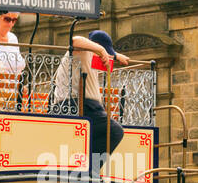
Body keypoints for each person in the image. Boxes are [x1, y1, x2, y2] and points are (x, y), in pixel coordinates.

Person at [50, 30, 138, 171]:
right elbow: (74, 40)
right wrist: (101, 50)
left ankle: (88, 167)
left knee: (109, 131)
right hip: (75, 105)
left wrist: (115, 56)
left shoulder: (91, 55)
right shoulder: (81, 51)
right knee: (115, 131)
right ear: (95, 45)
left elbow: (107, 56)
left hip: (90, 106)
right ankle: (90, 170)